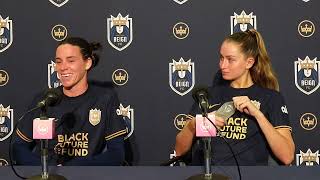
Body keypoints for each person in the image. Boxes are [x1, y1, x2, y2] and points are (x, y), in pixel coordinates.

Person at [175, 29, 295, 166]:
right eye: (221, 58)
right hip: (209, 175)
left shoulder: (271, 98)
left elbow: (287, 157)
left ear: (249, 63)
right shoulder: (207, 95)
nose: (222, 65)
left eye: (230, 60)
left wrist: (258, 114)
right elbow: (179, 152)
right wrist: (193, 125)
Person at [13, 37, 127, 166]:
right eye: (59, 62)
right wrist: (46, 170)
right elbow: (18, 147)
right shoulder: (44, 100)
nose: (63, 67)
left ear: (87, 63)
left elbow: (117, 153)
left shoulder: (105, 98)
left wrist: (74, 168)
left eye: (70, 60)